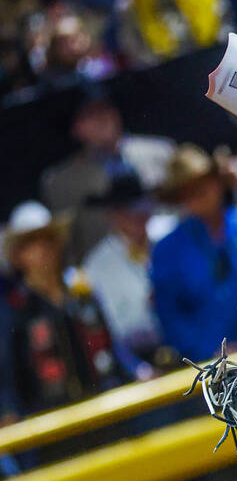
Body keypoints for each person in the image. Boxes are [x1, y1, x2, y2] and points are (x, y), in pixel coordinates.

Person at [150, 143, 237, 362]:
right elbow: (169, 317)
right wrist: (211, 351)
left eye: (203, 185)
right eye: (187, 192)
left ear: (218, 182)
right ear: (180, 199)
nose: (198, 196)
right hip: (204, 366)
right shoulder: (167, 250)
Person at [0, 201, 123, 421]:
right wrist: (9, 412)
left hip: (104, 409)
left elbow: (113, 348)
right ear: (18, 256)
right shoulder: (15, 310)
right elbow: (8, 373)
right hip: (49, 422)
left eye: (48, 239)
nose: (43, 249)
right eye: (31, 243)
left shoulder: (82, 294)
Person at [40, 92, 175, 263]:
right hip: (108, 272)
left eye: (105, 109)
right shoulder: (60, 182)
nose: (102, 118)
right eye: (90, 114)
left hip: (171, 255)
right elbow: (68, 248)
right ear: (75, 127)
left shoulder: (160, 152)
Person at [81, 176, 164, 378]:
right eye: (126, 210)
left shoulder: (165, 244)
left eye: (140, 208)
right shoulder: (96, 265)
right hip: (136, 365)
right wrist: (137, 369)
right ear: (112, 216)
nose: (136, 215)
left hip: (185, 353)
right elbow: (104, 329)